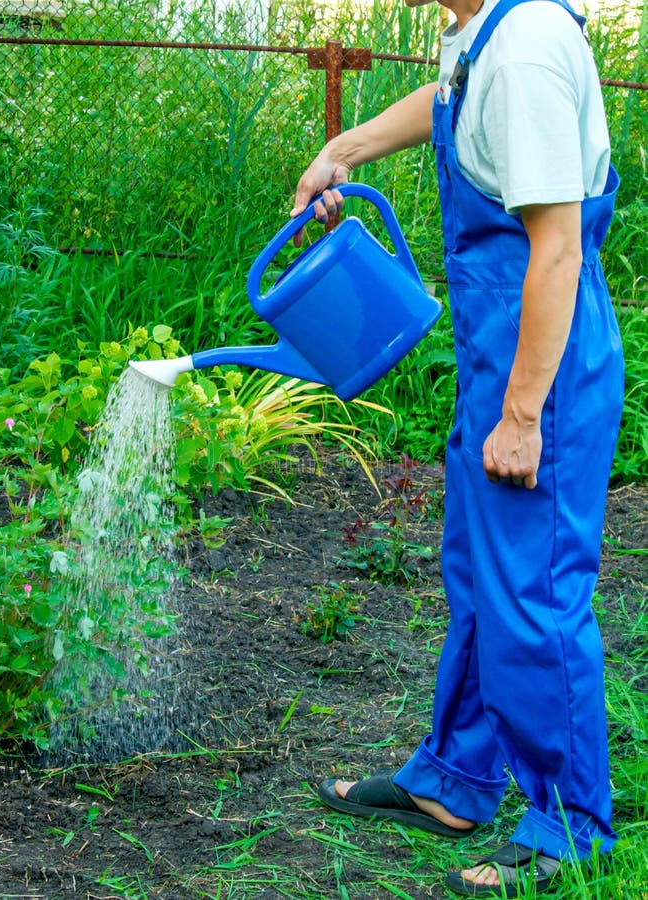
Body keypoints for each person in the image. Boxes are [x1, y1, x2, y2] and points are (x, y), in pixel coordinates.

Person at [289, 0, 625, 895]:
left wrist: (520, 416)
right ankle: (456, 779)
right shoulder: (480, 36)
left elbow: (553, 251)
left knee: (532, 593)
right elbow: (446, 97)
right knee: (479, 575)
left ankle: (570, 824)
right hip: (496, 356)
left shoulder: (521, 53)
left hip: (540, 365)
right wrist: (347, 148)